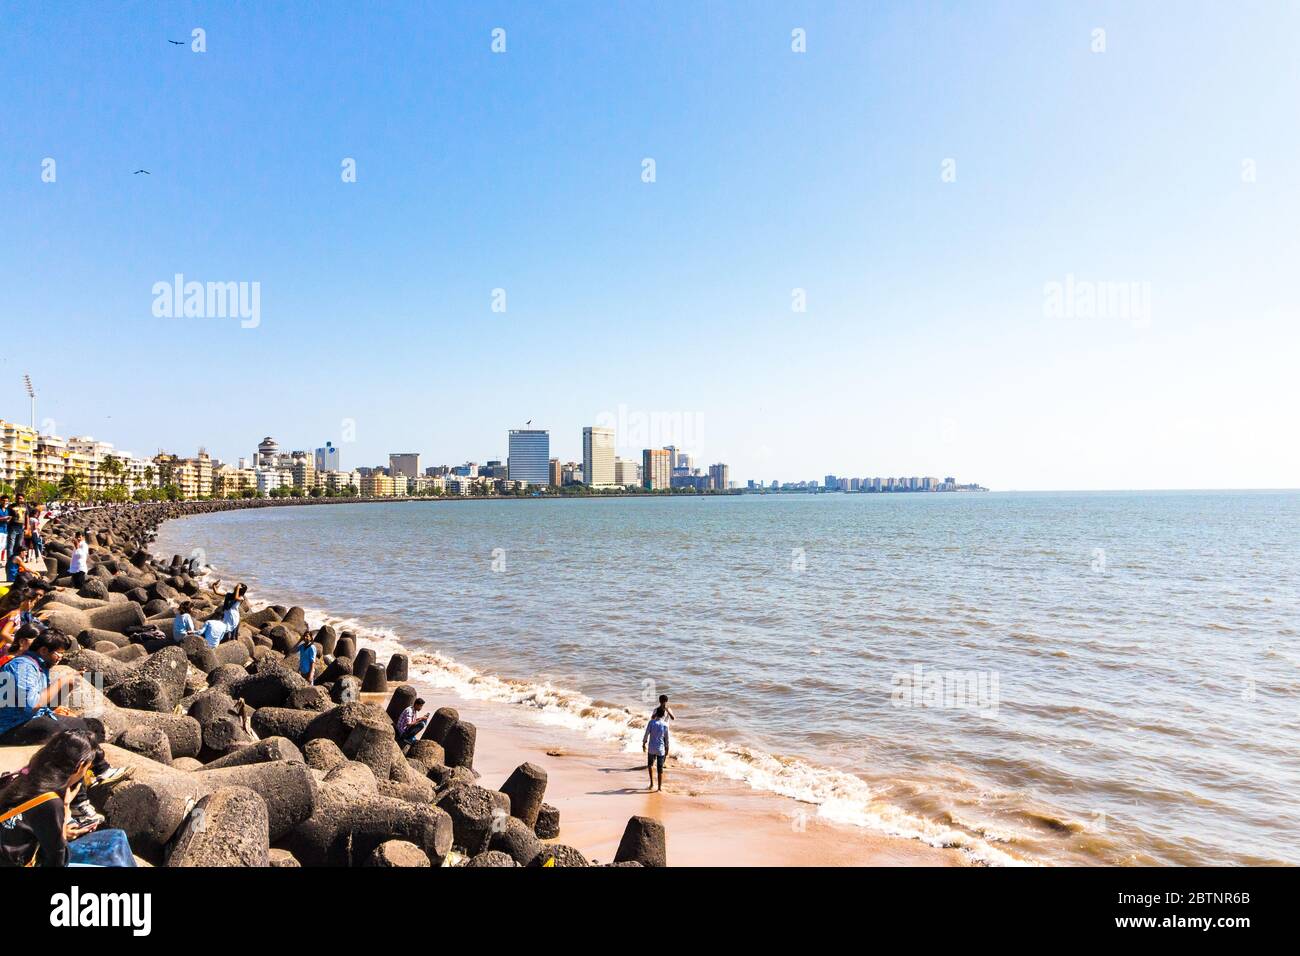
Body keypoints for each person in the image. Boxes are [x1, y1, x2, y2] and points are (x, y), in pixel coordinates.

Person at [0, 631, 131, 825]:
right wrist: (61, 682)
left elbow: (47, 705)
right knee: (63, 737)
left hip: (30, 719)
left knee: (85, 726)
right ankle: (78, 804)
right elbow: (31, 704)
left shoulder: (38, 666)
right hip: (10, 727)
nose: (61, 657)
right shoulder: (22, 666)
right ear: (43, 650)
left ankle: (101, 769)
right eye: (58, 653)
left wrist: (67, 687)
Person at [0, 729, 137, 867]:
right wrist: (64, 816)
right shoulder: (51, 803)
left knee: (118, 839)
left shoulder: (23, 776)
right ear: (79, 766)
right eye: (87, 768)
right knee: (117, 848)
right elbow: (57, 861)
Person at [642, 706, 671, 792]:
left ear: (656, 713)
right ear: (663, 715)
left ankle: (651, 783)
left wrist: (644, 743)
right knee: (660, 769)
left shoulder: (651, 722)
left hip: (651, 748)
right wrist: (667, 749)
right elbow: (667, 739)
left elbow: (646, 734)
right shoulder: (665, 725)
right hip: (660, 749)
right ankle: (659, 788)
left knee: (650, 765)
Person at [5, 495, 27, 568]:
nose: (19, 499)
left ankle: (16, 560)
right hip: (13, 527)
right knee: (11, 545)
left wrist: (27, 527)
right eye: (17, 498)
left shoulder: (25, 506)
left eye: (20, 498)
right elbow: (7, 516)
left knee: (18, 545)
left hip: (21, 528)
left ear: (23, 499)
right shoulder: (11, 506)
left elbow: (27, 517)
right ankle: (10, 561)